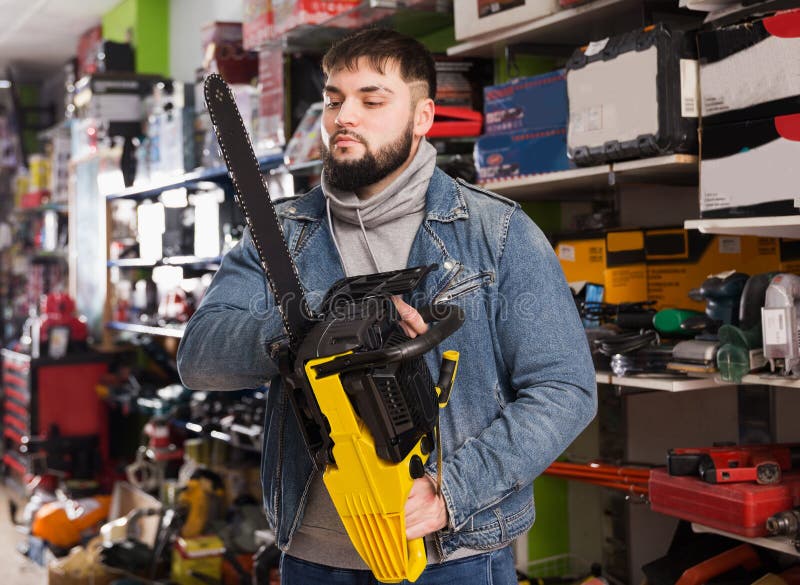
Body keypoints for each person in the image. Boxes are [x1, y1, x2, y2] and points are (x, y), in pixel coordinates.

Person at [178, 28, 596, 585]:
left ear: (422, 117)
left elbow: (565, 389)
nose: (343, 117)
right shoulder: (282, 234)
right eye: (333, 100)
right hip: (317, 556)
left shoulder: (495, 233)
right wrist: (306, 330)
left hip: (451, 552)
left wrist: (454, 489)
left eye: (372, 100)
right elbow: (200, 358)